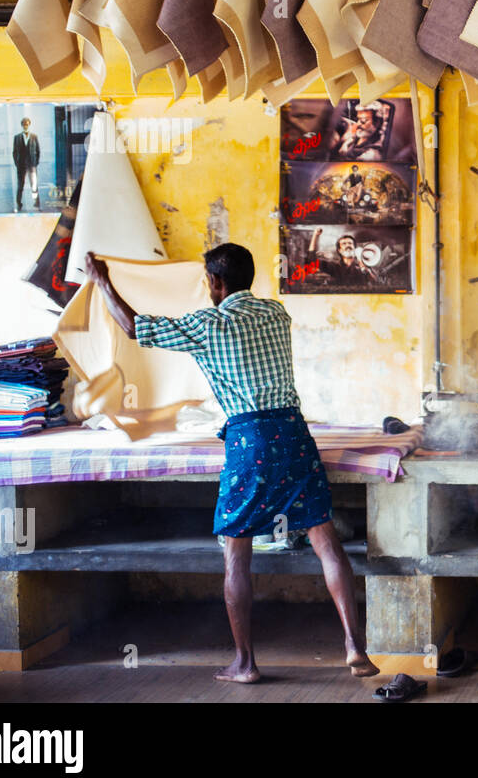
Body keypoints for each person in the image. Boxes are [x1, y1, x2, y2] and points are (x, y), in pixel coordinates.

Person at [83, 244, 377, 684]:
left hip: (250, 442)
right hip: (295, 434)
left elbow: (133, 327)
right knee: (325, 539)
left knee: (236, 552)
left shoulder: (208, 324)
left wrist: (102, 279)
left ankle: (245, 663)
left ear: (216, 283)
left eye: (208, 281)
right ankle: (355, 646)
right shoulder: (276, 314)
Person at [13, 117, 41, 211]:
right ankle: (18, 204)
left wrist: (35, 163)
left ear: (29, 125)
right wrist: (17, 163)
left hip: (32, 165)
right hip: (21, 166)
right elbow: (14, 152)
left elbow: (38, 151)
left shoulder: (34, 136)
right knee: (20, 186)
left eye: (27, 124)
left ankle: (37, 203)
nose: (25, 126)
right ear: (22, 125)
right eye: (24, 124)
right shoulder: (16, 137)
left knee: (34, 185)